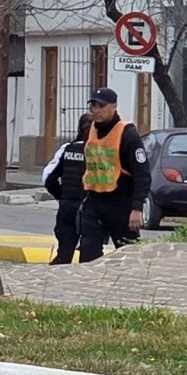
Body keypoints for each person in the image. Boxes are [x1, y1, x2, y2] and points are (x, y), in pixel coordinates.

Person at [77, 85, 150, 262]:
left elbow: (142, 174)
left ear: (114, 106)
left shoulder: (128, 134)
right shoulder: (90, 131)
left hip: (121, 205)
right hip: (94, 203)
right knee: (87, 253)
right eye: (93, 106)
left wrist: (137, 208)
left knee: (129, 255)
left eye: (101, 106)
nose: (96, 110)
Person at [42, 114, 90, 265]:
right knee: (90, 258)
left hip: (68, 206)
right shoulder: (99, 151)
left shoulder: (67, 149)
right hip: (90, 208)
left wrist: (61, 196)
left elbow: (48, 178)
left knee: (63, 255)